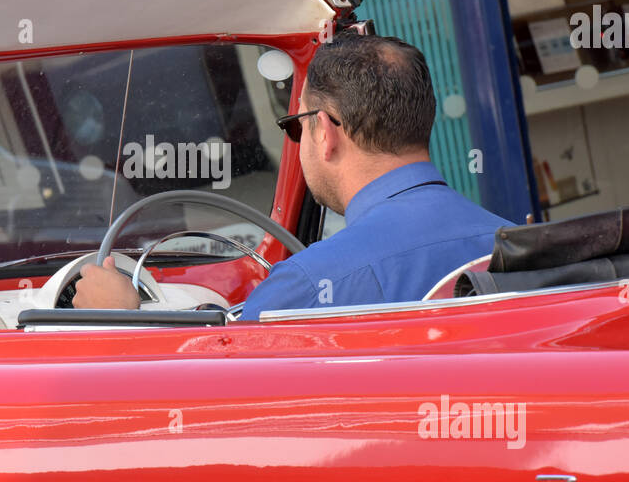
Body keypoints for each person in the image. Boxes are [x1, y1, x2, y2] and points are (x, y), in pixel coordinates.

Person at [73, 32, 513, 318]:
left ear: (323, 131)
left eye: (295, 126)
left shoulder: (306, 289)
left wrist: (121, 317)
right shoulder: (525, 250)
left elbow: (215, 402)